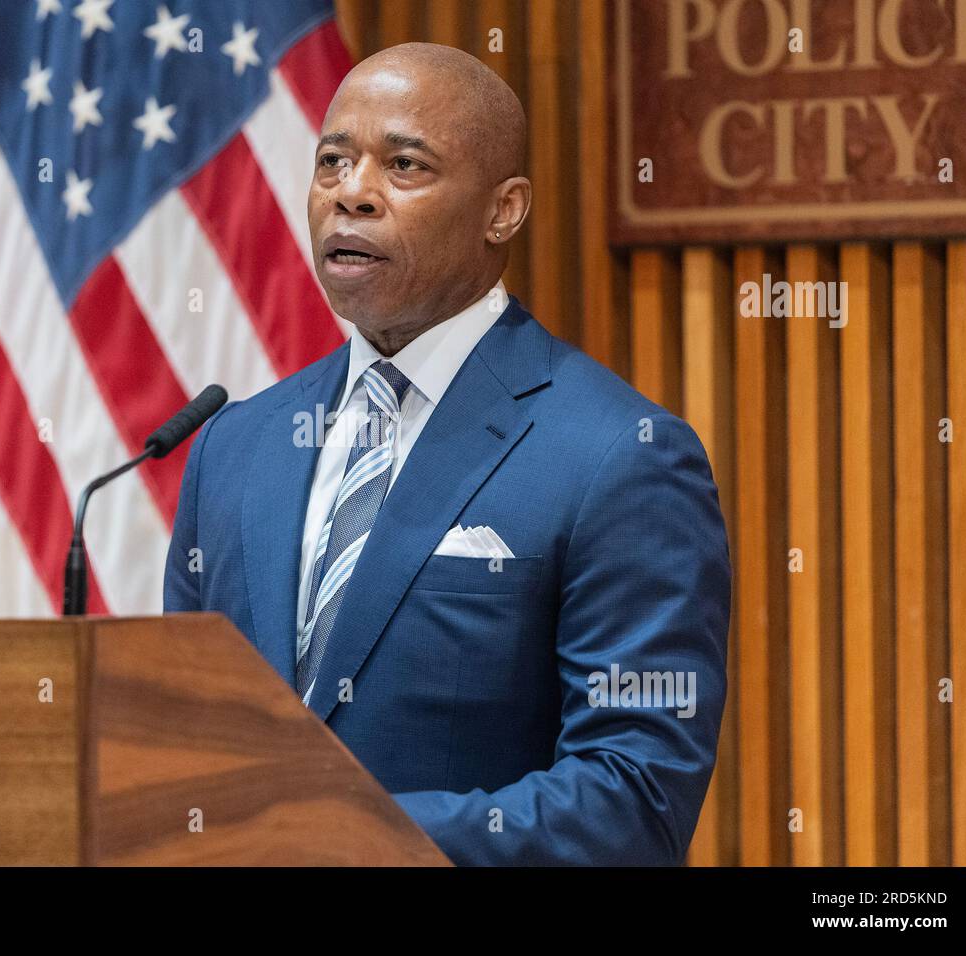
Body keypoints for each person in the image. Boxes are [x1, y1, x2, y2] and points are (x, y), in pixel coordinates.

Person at [163, 42, 731, 865]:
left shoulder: (620, 458)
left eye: (404, 165)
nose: (352, 193)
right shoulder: (233, 445)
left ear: (504, 210)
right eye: (332, 162)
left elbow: (634, 800)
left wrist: (342, 838)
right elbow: (179, 739)